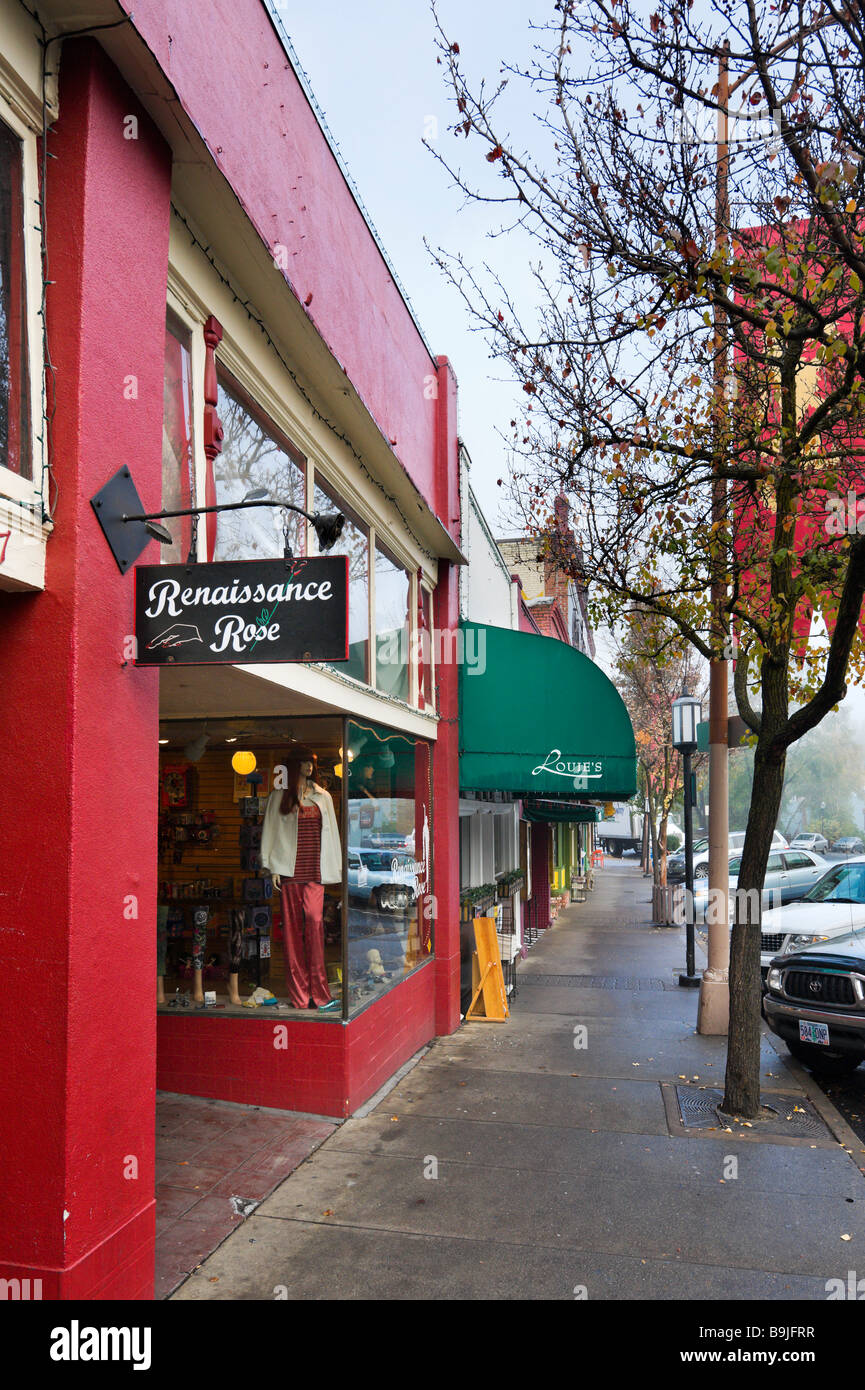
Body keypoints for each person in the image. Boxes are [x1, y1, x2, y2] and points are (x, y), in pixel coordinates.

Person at [261, 743, 342, 1012]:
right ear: (296, 765)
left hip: (314, 874)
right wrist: (271, 867)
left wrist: (335, 867)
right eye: (305, 762)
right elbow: (270, 831)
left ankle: (320, 994)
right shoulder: (279, 797)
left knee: (315, 924)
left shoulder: (323, 797)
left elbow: (332, 836)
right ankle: (299, 996)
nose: (310, 766)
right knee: (293, 936)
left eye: (312, 762)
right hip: (289, 873)